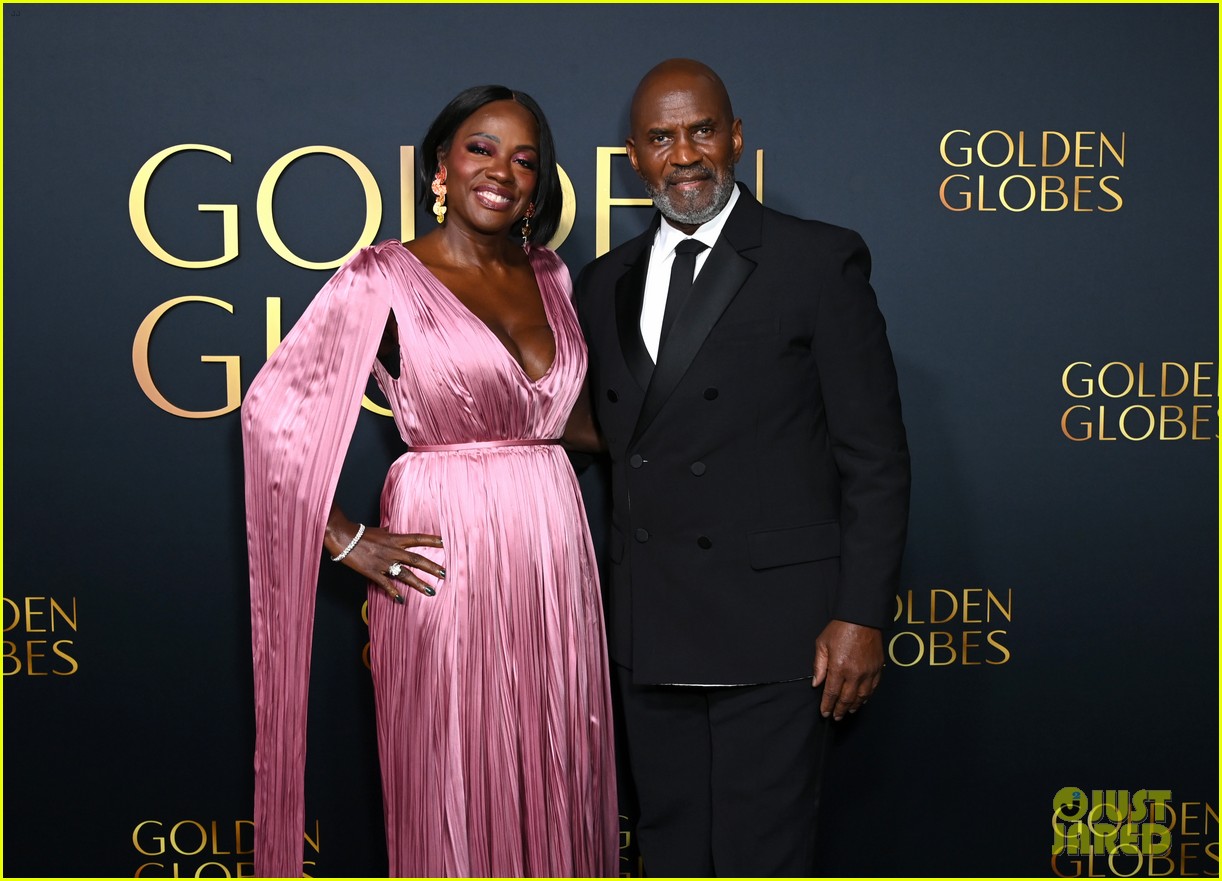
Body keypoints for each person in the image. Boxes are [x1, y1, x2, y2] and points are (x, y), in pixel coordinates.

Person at [242, 85, 616, 878]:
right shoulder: (382, 274)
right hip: (443, 554)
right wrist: (343, 540)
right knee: (452, 777)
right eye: (481, 148)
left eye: (525, 158)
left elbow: (580, 424)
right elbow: (272, 416)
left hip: (552, 552)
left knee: (558, 767)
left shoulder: (551, 275)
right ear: (439, 166)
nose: (503, 171)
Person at [574, 59, 910, 876]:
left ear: (736, 138)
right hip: (649, 624)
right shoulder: (601, 281)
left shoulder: (817, 262)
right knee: (671, 849)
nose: (684, 153)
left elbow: (875, 456)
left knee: (765, 853)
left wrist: (862, 614)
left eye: (700, 130)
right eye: (661, 137)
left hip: (780, 630)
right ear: (633, 157)